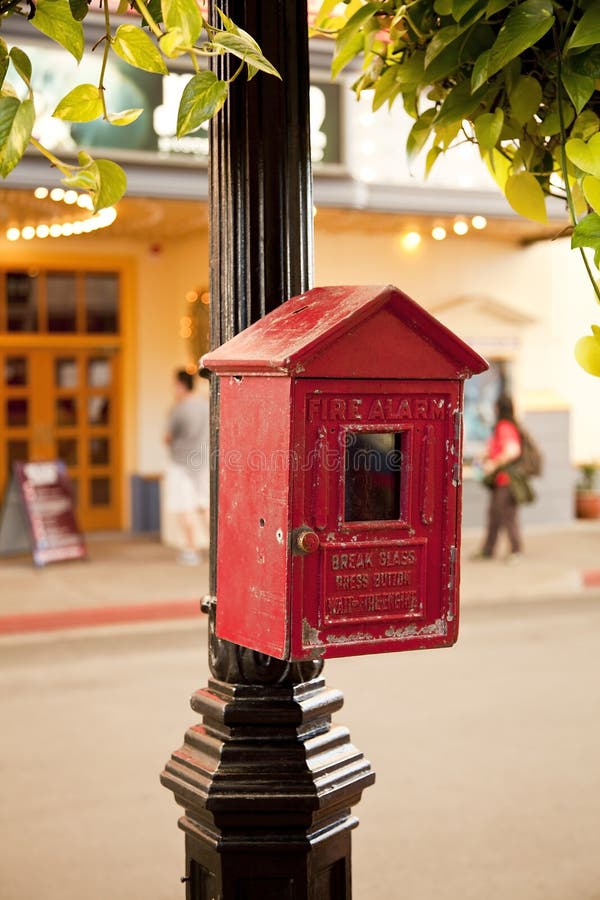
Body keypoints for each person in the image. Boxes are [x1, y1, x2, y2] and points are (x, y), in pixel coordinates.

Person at [164, 368, 210, 565]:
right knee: (205, 506)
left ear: (180, 385)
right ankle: (217, 547)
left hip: (181, 463)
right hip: (204, 461)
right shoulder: (206, 404)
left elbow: (168, 437)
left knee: (185, 507)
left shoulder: (179, 408)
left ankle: (191, 549)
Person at [475, 394, 523, 563]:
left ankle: (516, 551)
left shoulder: (504, 426)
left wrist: (493, 464)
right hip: (500, 481)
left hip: (506, 481)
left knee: (507, 517)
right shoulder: (505, 426)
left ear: (498, 408)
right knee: (494, 516)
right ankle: (488, 550)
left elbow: (513, 450)